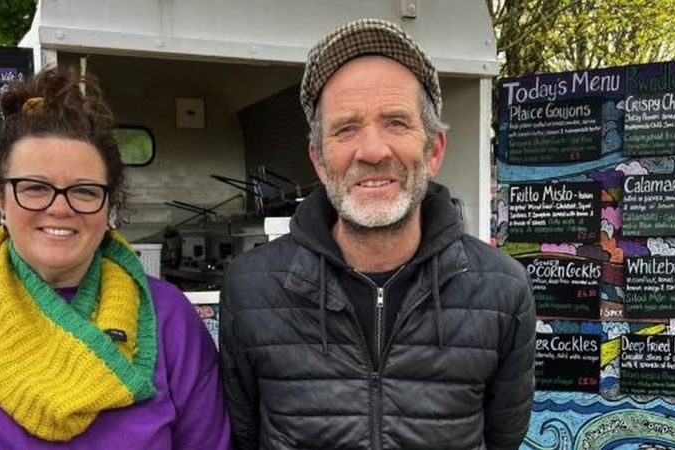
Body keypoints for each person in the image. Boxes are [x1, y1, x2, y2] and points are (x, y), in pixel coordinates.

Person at [219, 18, 535, 450]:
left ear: (434, 151)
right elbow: (244, 436)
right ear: (318, 159)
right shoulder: (251, 289)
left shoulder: (503, 291)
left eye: (396, 122)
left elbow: (503, 439)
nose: (371, 151)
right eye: (346, 128)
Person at [0, 67, 231, 449]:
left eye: (85, 191)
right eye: (35, 188)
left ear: (109, 203)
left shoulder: (168, 317)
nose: (60, 209)